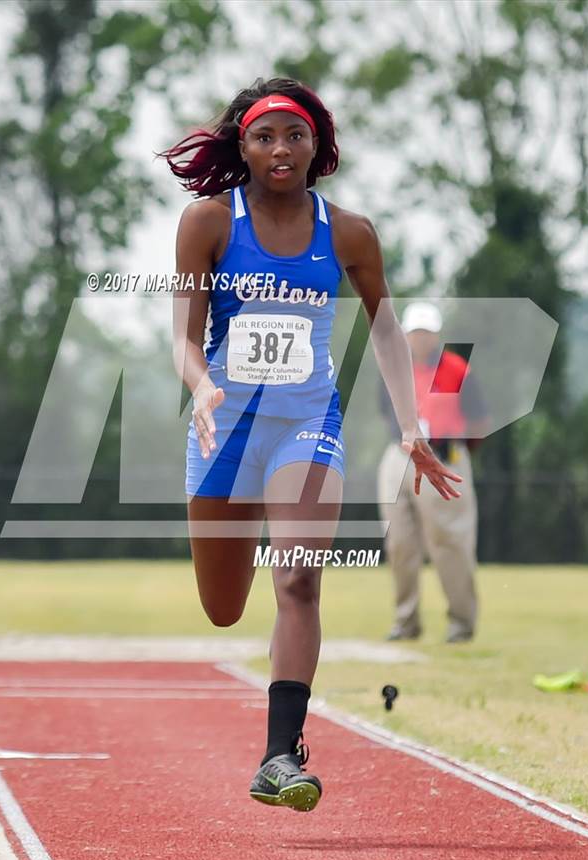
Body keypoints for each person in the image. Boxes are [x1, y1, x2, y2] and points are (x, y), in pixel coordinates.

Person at [162, 78, 461, 814]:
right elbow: (183, 337)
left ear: (317, 145)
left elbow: (386, 327)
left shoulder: (349, 231)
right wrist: (201, 386)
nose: (280, 149)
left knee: (297, 579)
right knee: (224, 607)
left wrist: (411, 424)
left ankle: (278, 753)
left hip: (307, 422)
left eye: (294, 135)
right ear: (244, 146)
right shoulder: (208, 222)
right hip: (227, 427)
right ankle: (274, 737)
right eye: (264, 137)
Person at [377, 301, 489, 643]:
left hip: (444, 457)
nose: (420, 339)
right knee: (400, 543)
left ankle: (461, 623)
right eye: (414, 332)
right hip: (400, 457)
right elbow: (385, 411)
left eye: (426, 332)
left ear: (436, 334)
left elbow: (480, 421)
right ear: (406, 335)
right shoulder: (394, 367)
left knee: (450, 542)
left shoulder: (457, 369)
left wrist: (456, 455)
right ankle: (406, 621)